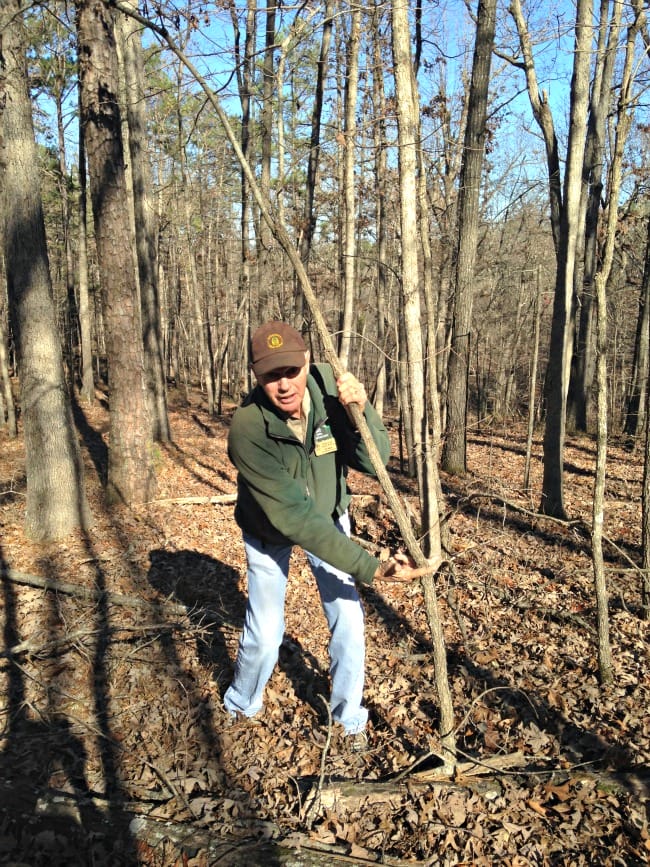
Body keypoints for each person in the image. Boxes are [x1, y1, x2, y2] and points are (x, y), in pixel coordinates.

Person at [224, 321, 418, 750]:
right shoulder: (248, 429)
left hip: (330, 513)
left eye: (291, 371)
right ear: (256, 376)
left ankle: (347, 720)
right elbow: (294, 517)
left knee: (349, 622)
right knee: (266, 633)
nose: (284, 385)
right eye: (271, 376)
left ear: (308, 362)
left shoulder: (331, 386)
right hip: (269, 528)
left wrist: (361, 411)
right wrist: (372, 567)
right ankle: (241, 704)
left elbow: (374, 460)